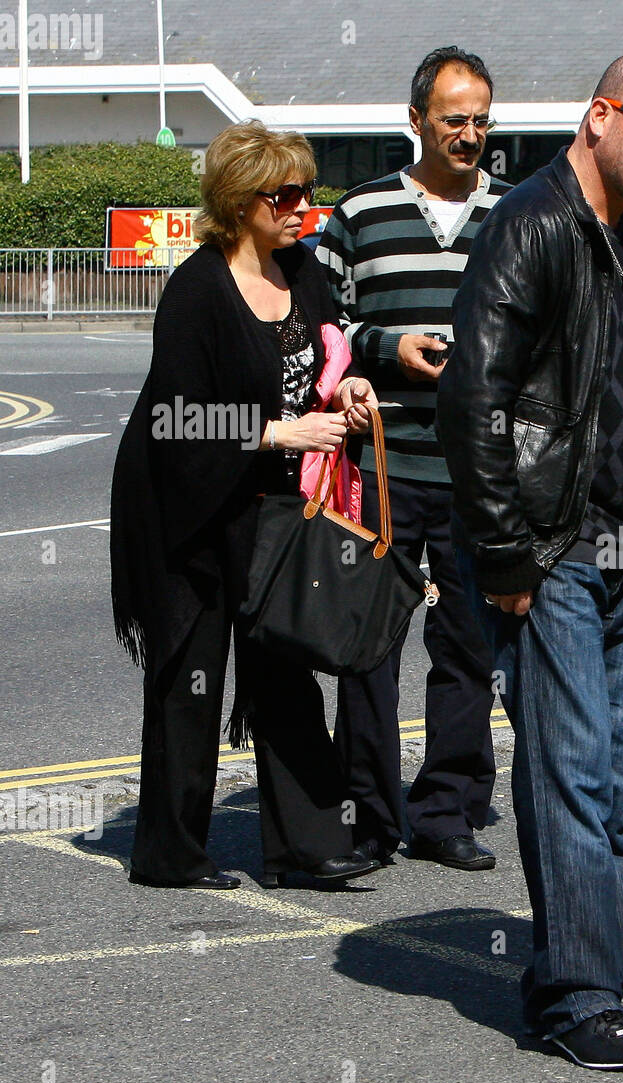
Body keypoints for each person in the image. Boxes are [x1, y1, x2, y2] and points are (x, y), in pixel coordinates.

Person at [437, 53, 623, 1070]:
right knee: (568, 769)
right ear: (599, 114)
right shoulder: (531, 226)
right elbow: (472, 403)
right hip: (547, 547)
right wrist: (504, 554)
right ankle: (572, 995)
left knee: (607, 771)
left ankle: (595, 965)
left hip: (618, 542)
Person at [110, 120, 382, 890]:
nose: (302, 208)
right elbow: (176, 419)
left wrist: (352, 388)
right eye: (284, 194)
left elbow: (330, 357)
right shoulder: (196, 291)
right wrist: (279, 431)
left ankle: (307, 846)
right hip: (188, 507)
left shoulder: (304, 272)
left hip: (275, 508)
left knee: (286, 668)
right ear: (238, 201)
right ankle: (172, 854)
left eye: (308, 192)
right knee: (187, 682)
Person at [316, 47, 511, 871]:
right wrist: (387, 347)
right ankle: (368, 810)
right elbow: (320, 325)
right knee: (369, 647)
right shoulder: (359, 214)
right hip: (381, 467)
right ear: (416, 121)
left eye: (479, 120)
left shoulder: (515, 214)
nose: (468, 134)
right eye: (452, 119)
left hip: (477, 471)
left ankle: (445, 810)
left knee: (468, 648)